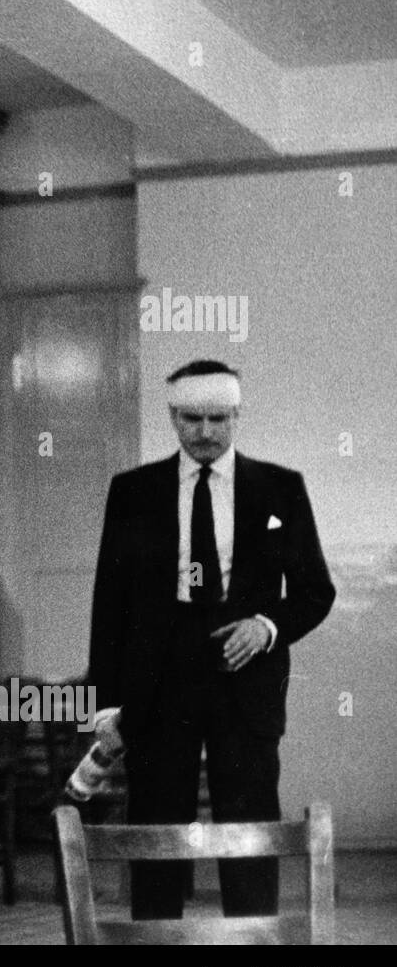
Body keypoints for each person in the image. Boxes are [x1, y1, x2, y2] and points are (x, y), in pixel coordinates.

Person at [87, 359, 334, 920]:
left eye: (219, 419)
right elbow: (110, 603)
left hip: (245, 677)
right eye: (192, 418)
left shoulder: (281, 488)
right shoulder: (133, 492)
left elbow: (316, 591)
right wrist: (102, 705)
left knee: (248, 830)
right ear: (172, 417)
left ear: (238, 416)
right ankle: (154, 942)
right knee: (155, 830)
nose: (206, 432)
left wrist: (265, 626)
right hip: (157, 680)